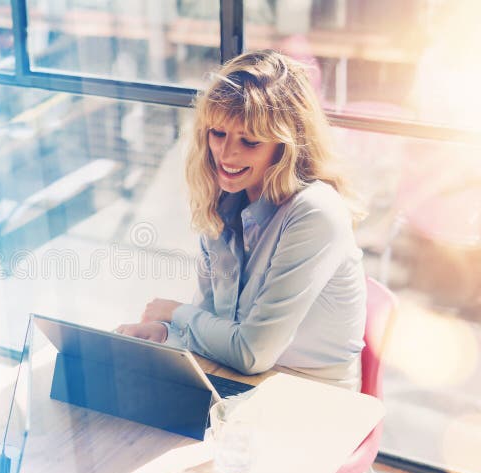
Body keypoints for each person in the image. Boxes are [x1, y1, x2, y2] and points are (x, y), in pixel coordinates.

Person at [116, 50, 367, 390]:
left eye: (249, 141)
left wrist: (175, 313)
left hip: (313, 395)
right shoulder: (225, 202)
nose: (226, 154)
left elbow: (251, 352)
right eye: (217, 133)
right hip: (240, 379)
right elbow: (215, 323)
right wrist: (165, 332)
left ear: (284, 146)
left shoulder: (315, 212)